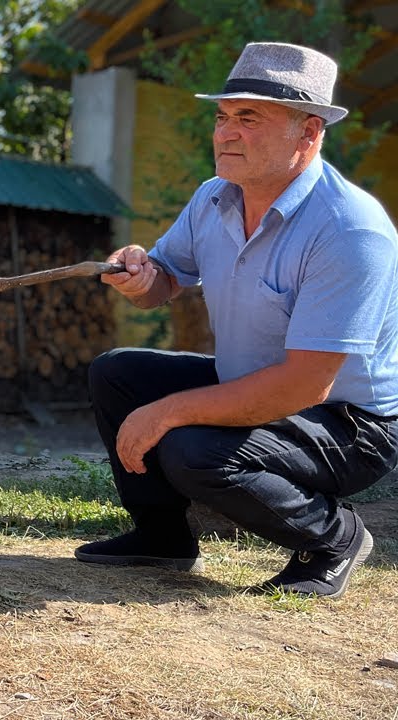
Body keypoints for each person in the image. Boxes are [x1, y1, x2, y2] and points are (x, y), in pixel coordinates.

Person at [77, 42, 398, 599]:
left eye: (248, 119)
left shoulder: (350, 229)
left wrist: (167, 412)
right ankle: (163, 536)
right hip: (256, 384)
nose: (225, 133)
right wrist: (140, 276)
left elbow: (304, 385)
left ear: (309, 132)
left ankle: (334, 538)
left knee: (192, 450)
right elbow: (166, 279)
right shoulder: (214, 198)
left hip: (350, 423)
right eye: (222, 117)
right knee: (117, 374)